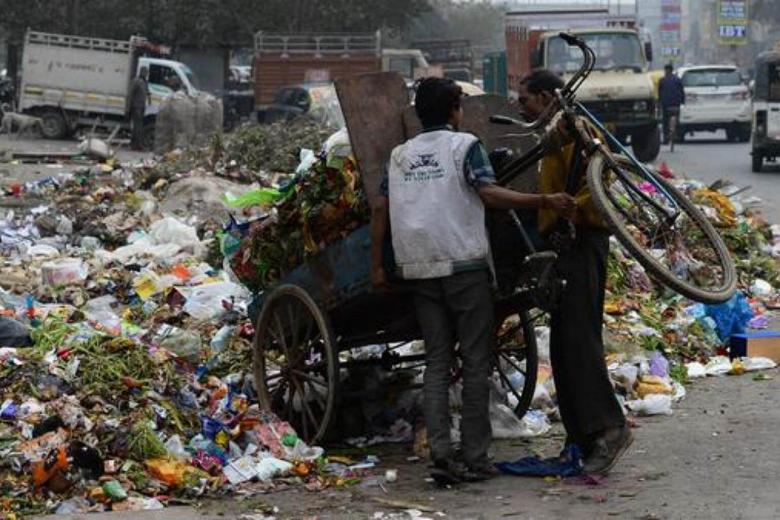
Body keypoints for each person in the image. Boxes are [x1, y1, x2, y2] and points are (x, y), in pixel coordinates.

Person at [370, 77, 576, 484]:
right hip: (464, 266)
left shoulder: (399, 156)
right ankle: (476, 455)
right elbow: (490, 194)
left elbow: (381, 209)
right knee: (477, 362)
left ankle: (442, 455)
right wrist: (542, 200)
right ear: (454, 110)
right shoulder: (465, 146)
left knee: (436, 361)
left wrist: (378, 265)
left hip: (420, 269)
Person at [516, 69, 632, 475]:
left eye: (526, 98)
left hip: (582, 239)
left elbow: (599, 178)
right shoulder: (551, 134)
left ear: (548, 96)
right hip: (564, 242)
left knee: (580, 339)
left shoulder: (574, 127)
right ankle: (581, 434)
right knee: (565, 346)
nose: (521, 105)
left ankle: (608, 429)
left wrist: (573, 209)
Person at [658, 63, 686, 144]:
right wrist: (682, 102)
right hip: (676, 104)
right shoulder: (677, 79)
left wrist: (659, 103)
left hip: (665, 105)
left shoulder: (662, 80)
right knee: (677, 119)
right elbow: (682, 92)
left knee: (665, 121)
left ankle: (666, 138)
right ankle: (677, 135)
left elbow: (660, 93)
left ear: (666, 70)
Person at [129, 67, 150, 151]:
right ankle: (136, 145)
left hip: (142, 107)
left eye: (147, 72)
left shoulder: (144, 82)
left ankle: (135, 144)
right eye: (145, 72)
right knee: (137, 127)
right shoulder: (136, 81)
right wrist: (130, 107)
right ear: (141, 72)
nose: (146, 74)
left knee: (139, 127)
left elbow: (147, 92)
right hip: (136, 107)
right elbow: (130, 93)